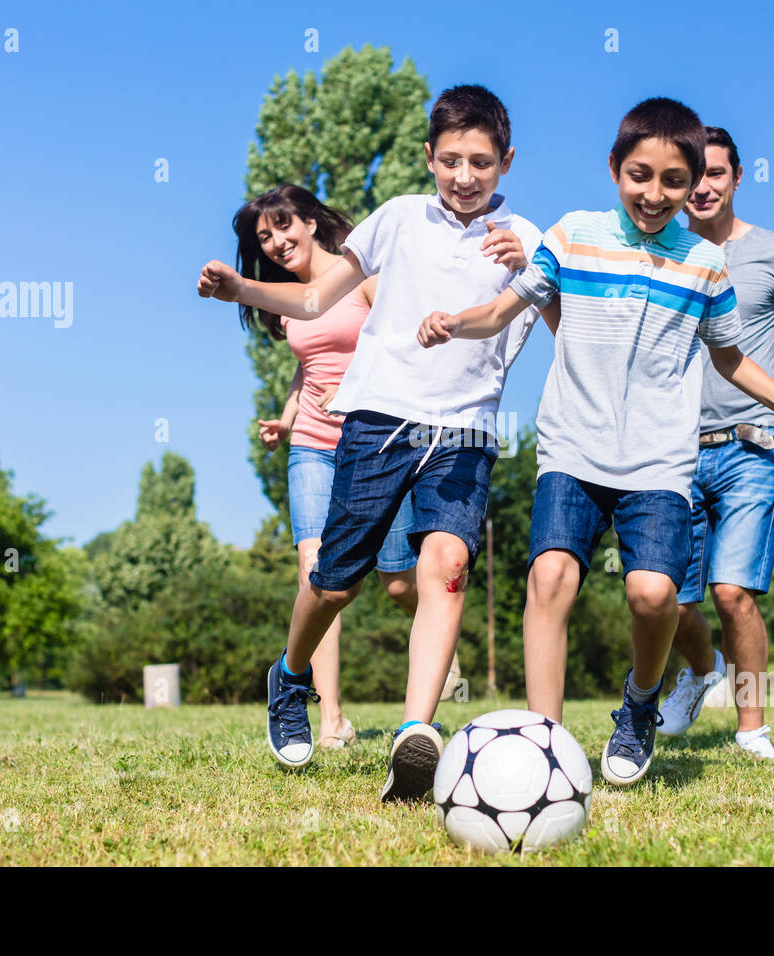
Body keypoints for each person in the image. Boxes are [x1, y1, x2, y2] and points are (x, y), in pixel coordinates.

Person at [417, 97, 774, 787]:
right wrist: (455, 322)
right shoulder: (574, 234)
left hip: (659, 459)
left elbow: (732, 358)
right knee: (549, 577)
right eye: (640, 175)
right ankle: (544, 744)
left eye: (674, 181)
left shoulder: (706, 265)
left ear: (694, 183)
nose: (655, 194)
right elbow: (509, 305)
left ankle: (640, 704)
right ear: (615, 168)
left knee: (653, 595)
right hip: (571, 448)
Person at [198, 85, 556, 800]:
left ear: (507, 161)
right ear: (428, 157)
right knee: (335, 581)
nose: (463, 176)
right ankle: (290, 677)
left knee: (445, 565)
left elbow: (566, 338)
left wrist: (534, 271)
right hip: (379, 417)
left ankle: (412, 738)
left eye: (480, 162)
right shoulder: (395, 220)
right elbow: (309, 300)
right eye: (450, 160)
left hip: (466, 429)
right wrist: (241, 289)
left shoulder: (533, 240)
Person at [235, 183, 447, 750]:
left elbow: (403, 339)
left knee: (400, 581)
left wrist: (358, 389)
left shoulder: (361, 275)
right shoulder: (290, 304)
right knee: (319, 572)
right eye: (264, 237)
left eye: (283, 227)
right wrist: (286, 418)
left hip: (380, 440)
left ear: (308, 221)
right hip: (314, 444)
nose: (277, 242)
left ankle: (438, 655)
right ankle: (328, 717)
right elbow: (309, 372)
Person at [656, 127, 774, 761]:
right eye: (692, 174)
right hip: (668, 448)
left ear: (737, 177)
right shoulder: (657, 250)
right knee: (665, 597)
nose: (702, 187)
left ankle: (751, 729)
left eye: (716, 174)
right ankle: (702, 673)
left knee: (733, 591)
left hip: (752, 443)